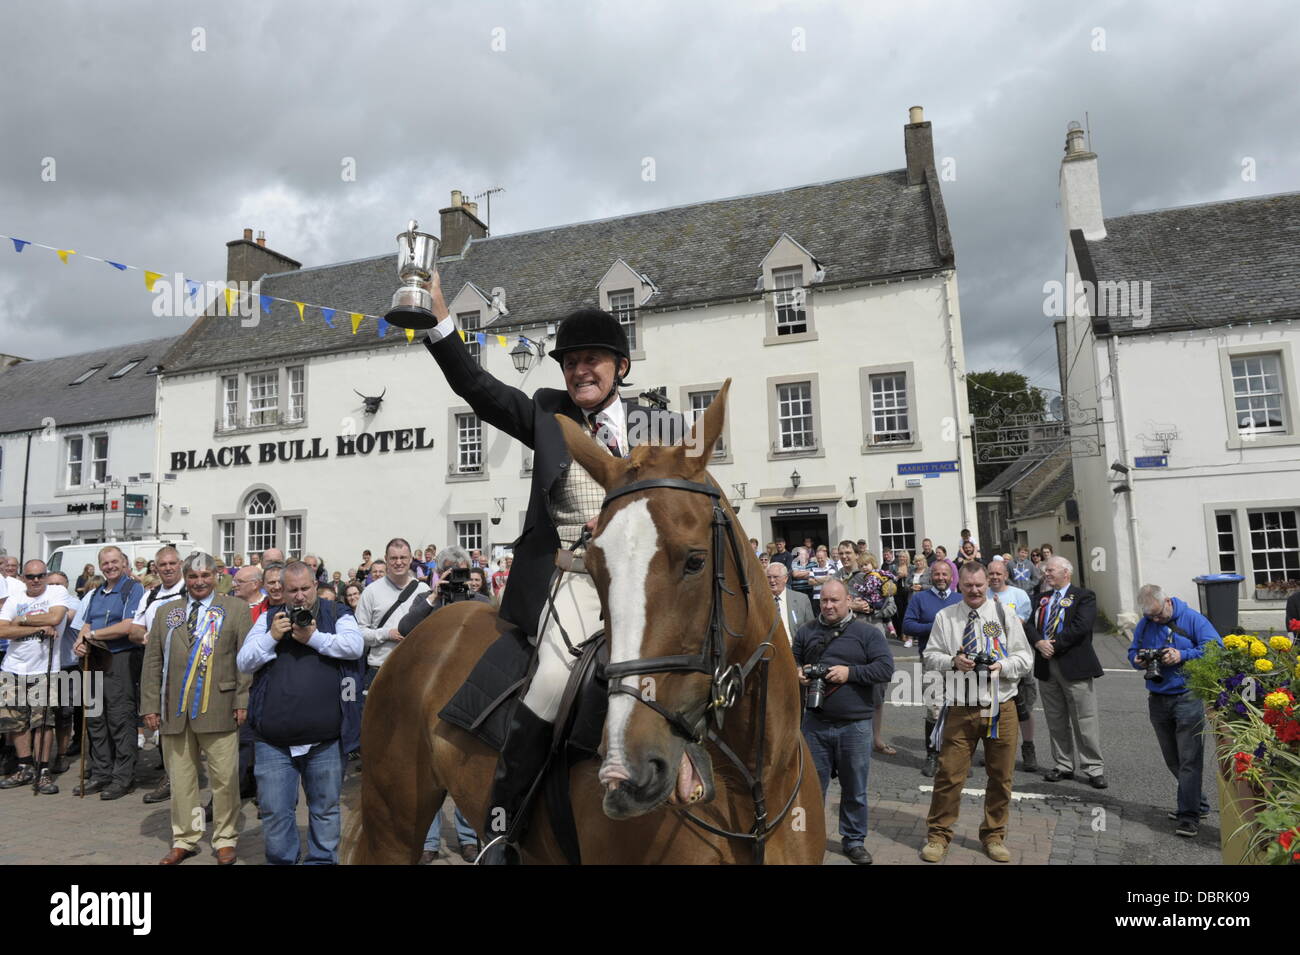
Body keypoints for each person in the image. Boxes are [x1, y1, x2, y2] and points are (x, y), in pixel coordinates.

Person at [424, 279, 684, 863]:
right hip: (572, 580)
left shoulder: (658, 425)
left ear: (619, 365)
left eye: (589, 359)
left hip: (644, 582)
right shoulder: (546, 414)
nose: (578, 370)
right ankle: (502, 821)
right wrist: (440, 324)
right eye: (569, 362)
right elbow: (481, 390)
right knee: (550, 678)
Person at [237, 561, 364, 864]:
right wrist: (271, 637)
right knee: (276, 812)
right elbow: (244, 661)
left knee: (325, 810)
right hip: (273, 741)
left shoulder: (337, 613)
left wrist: (314, 637)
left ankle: (321, 861)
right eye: (292, 590)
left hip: (326, 740)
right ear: (280, 589)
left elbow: (354, 646)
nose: (299, 596)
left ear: (315, 586)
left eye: (305, 588)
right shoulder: (269, 618)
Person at [140, 553, 253, 865]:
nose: (199, 582)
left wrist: (242, 700)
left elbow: (245, 661)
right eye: (193, 576)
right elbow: (152, 663)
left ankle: (225, 837)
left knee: (225, 779)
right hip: (173, 711)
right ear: (184, 577)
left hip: (220, 706)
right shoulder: (166, 612)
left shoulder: (236, 609)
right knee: (181, 779)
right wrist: (150, 704)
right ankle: (185, 838)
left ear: (216, 576)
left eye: (206, 576)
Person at [919, 561, 1033, 863]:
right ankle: (938, 835)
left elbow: (1025, 658)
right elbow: (930, 656)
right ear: (960, 586)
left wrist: (1002, 666)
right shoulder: (945, 617)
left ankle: (994, 836)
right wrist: (952, 662)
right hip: (959, 706)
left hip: (1000, 707)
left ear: (988, 584)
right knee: (949, 775)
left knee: (1001, 777)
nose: (974, 590)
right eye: (968, 585)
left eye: (979, 585)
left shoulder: (1004, 615)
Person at [792, 579, 894, 865]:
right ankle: (810, 838)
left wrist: (850, 673)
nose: (828, 606)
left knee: (855, 789)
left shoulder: (867, 633)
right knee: (811, 789)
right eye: (824, 601)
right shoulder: (806, 632)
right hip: (815, 723)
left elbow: (886, 668)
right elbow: (790, 661)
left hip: (856, 725)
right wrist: (797, 672)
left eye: (835, 600)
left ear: (849, 600)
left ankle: (854, 840)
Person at [396, 545, 488, 863]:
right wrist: (434, 595)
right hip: (429, 698)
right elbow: (406, 629)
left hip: (469, 700)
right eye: (450, 570)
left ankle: (467, 838)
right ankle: (428, 842)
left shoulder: (482, 604)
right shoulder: (429, 601)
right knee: (428, 775)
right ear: (439, 572)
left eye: (461, 570)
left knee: (463, 771)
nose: (458, 577)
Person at [1129, 584, 1220, 836]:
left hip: (1187, 695)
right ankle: (1197, 803)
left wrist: (1182, 655)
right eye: (1151, 617)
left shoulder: (1192, 618)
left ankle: (1188, 816)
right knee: (1173, 759)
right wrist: (1138, 659)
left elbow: (1216, 648)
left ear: (1167, 601)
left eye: (1159, 615)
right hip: (1157, 697)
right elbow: (1132, 650)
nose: (1156, 620)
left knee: (1189, 759)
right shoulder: (1145, 623)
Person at [70, 546, 146, 799]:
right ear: (100, 565)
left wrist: (92, 636)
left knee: (119, 718)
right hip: (94, 659)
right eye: (105, 563)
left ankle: (122, 777)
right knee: (94, 717)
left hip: (119, 658)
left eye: (115, 561)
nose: (110, 566)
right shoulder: (95, 593)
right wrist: (80, 642)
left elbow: (127, 626)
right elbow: (87, 623)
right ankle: (101, 773)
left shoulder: (132, 588)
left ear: (124, 563)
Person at [1031, 556, 1106, 788]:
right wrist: (1038, 643)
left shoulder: (1084, 596)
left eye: (1051, 570)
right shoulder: (1041, 598)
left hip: (1074, 664)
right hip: (1046, 664)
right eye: (1045, 571)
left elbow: (1081, 627)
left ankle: (1093, 767)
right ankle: (1063, 764)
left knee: (1084, 719)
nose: (1047, 574)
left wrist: (1053, 644)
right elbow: (1027, 625)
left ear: (1066, 572)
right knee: (1055, 719)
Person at [0, 560, 73, 794]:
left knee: (44, 722)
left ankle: (43, 771)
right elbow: (2, 629)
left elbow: (55, 617)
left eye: (40, 575)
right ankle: (25, 766)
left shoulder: (56, 591)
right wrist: (36, 628)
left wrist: (21, 620)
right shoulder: (15, 599)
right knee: (16, 722)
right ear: (24, 578)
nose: (36, 580)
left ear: (46, 575)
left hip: (45, 669)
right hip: (13, 668)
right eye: (31, 577)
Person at [127, 546, 187, 806]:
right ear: (155, 567)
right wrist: (151, 639)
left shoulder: (190, 590)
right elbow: (134, 631)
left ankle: (183, 777)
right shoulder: (150, 595)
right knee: (161, 723)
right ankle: (171, 776)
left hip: (185, 668)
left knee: (184, 725)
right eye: (163, 565)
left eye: (172, 563)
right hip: (156, 667)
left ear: (181, 564)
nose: (168, 568)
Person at [901, 559, 960, 776]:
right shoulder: (920, 599)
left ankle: (955, 757)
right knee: (934, 710)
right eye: (937, 574)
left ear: (951, 577)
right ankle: (932, 755)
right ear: (930, 577)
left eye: (945, 574)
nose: (941, 578)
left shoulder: (960, 599)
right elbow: (907, 625)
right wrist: (935, 626)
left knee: (958, 711)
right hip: (932, 661)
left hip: (959, 663)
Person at [355, 539, 430, 695]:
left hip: (416, 670)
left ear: (410, 559)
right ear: (386, 559)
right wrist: (386, 633)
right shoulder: (371, 591)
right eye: (393, 558)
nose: (398, 562)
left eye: (403, 557)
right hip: (381, 670)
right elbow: (358, 633)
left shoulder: (423, 589)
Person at [986, 558, 1037, 772]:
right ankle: (994, 750)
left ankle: (1028, 748)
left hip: (1016, 657)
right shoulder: (982, 595)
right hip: (990, 659)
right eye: (991, 574)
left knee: (1023, 707)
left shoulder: (1020, 595)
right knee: (991, 706)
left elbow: (1019, 625)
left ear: (1006, 575)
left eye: (999, 573)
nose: (995, 577)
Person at [768, 563, 814, 645]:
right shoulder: (760, 601)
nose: (771, 580)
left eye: (775, 577)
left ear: (785, 578)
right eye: (769, 577)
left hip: (795, 649)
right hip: (770, 651)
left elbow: (811, 630)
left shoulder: (802, 600)